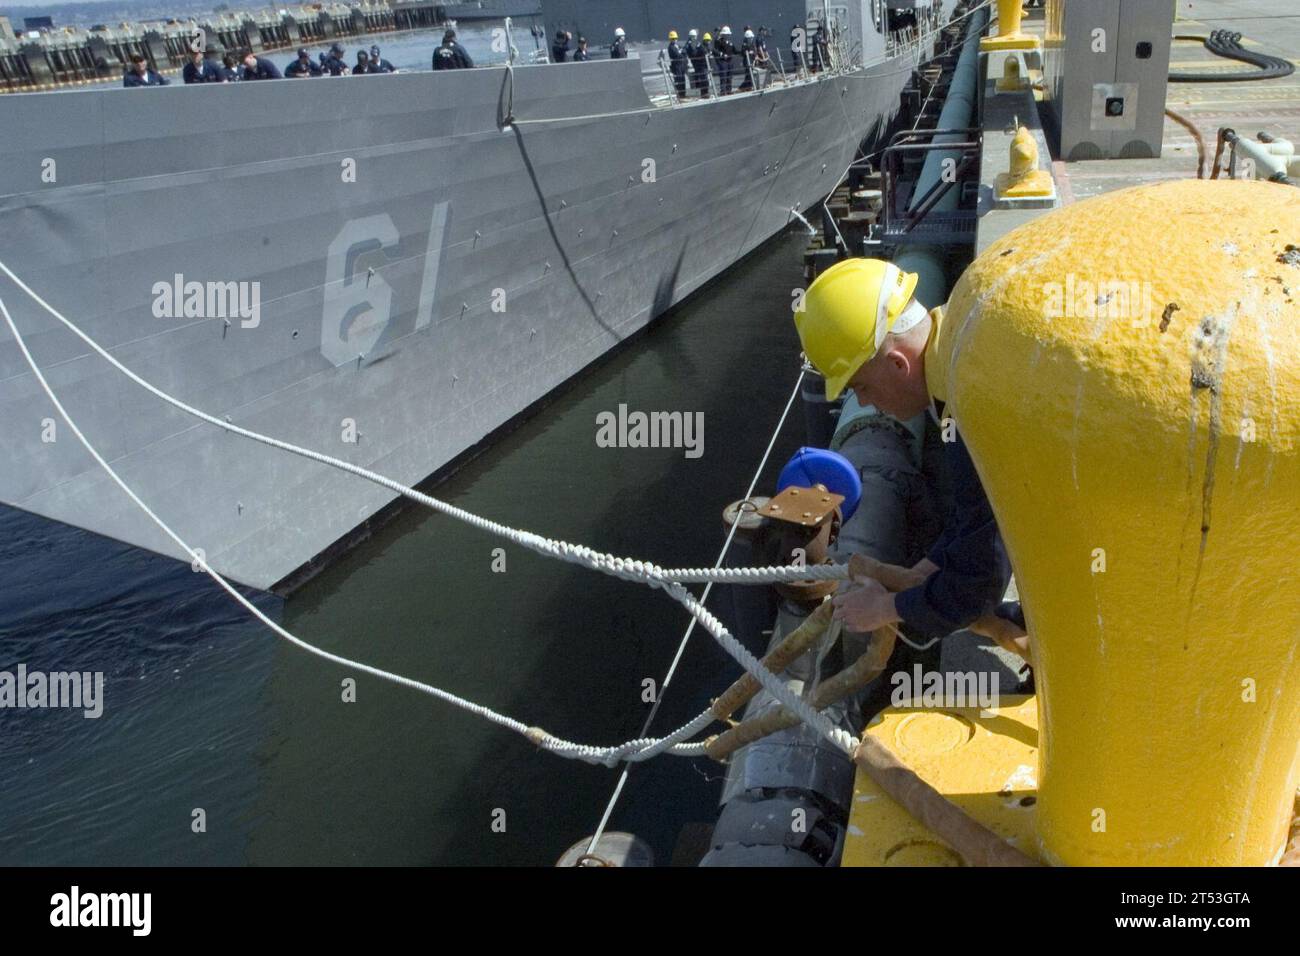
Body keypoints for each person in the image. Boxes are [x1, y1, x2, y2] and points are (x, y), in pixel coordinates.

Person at [793, 258, 1024, 652]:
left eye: (861, 387)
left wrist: (888, 607)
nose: (866, 403)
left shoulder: (970, 408)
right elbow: (979, 518)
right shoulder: (961, 337)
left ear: (898, 364)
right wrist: (926, 568)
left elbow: (977, 586)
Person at [666, 30, 687, 100]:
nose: (674, 40)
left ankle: (683, 94)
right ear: (670, 39)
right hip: (676, 66)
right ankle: (680, 94)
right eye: (673, 39)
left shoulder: (677, 46)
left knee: (682, 79)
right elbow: (677, 55)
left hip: (681, 65)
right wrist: (680, 52)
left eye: (675, 38)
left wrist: (681, 52)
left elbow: (685, 51)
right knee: (678, 80)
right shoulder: (671, 47)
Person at [713, 25, 735, 95]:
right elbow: (715, 50)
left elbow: (734, 50)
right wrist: (722, 55)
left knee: (729, 76)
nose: (728, 35)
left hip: (729, 61)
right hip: (723, 61)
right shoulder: (718, 41)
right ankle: (723, 91)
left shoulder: (730, 42)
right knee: (723, 76)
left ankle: (729, 90)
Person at [687, 30, 709, 96]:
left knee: (705, 79)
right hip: (698, 64)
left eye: (695, 36)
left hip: (702, 63)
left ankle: (705, 92)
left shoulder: (696, 43)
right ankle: (704, 93)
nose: (695, 37)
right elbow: (693, 54)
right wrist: (701, 51)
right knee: (703, 79)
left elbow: (702, 50)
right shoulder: (690, 45)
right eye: (694, 36)